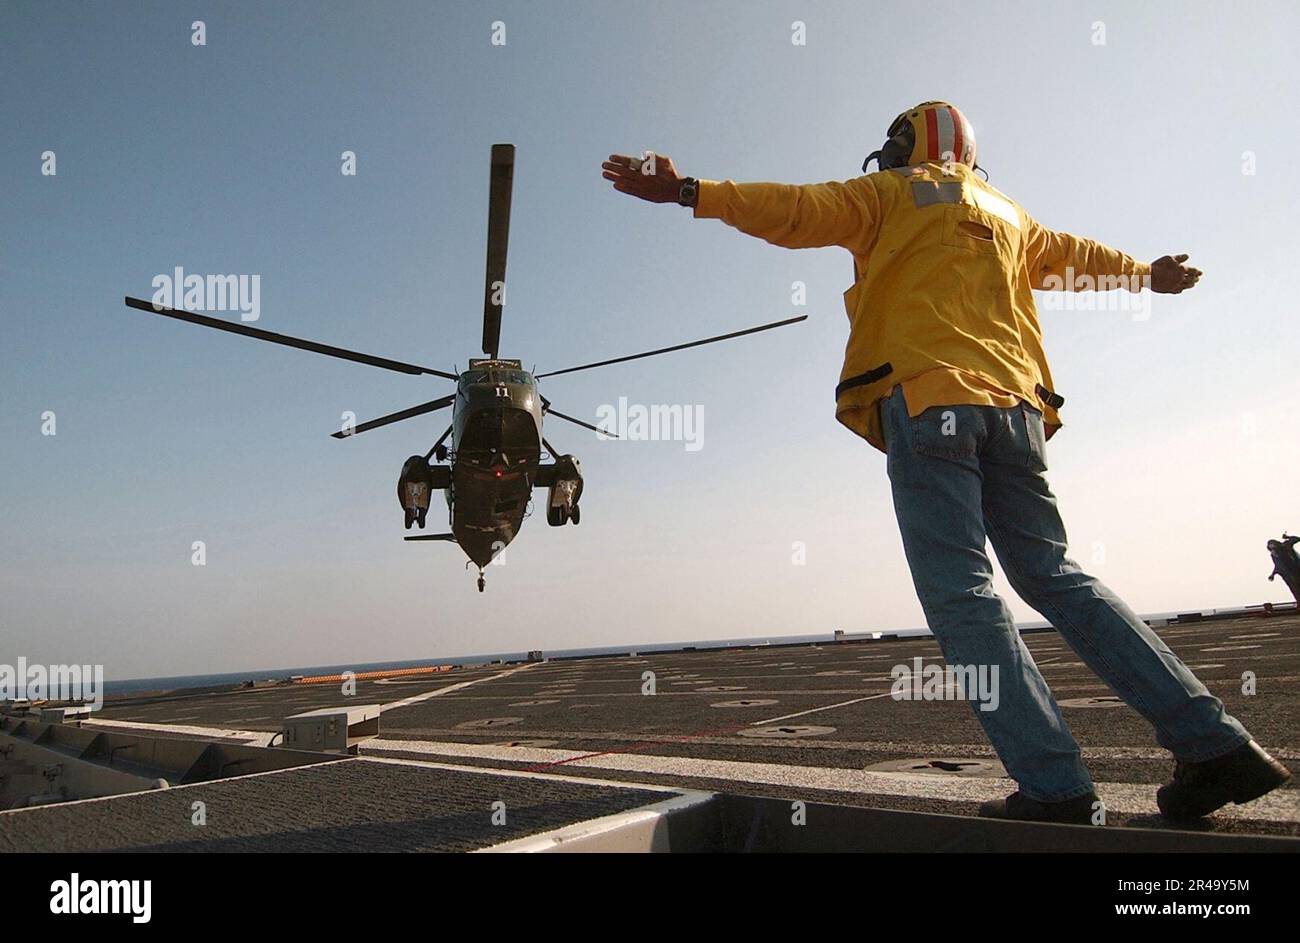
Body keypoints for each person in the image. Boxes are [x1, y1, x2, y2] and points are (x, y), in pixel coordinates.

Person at [601, 100, 1290, 824]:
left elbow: (795, 210)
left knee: (964, 593)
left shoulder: (888, 194)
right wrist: (1147, 275)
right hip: (1017, 411)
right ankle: (1214, 745)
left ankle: (1055, 785)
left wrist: (688, 190)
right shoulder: (1012, 217)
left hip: (931, 399)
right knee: (1057, 575)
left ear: (909, 142)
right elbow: (1083, 258)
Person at [1268, 533, 1300, 603]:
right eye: (1270, 547)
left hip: (1297, 569)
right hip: (1290, 575)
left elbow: (1297, 539)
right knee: (1295, 590)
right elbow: (1278, 566)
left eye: (1272, 544)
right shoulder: (1274, 555)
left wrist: (1287, 537)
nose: (1272, 548)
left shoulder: (1285, 545)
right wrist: (1273, 574)